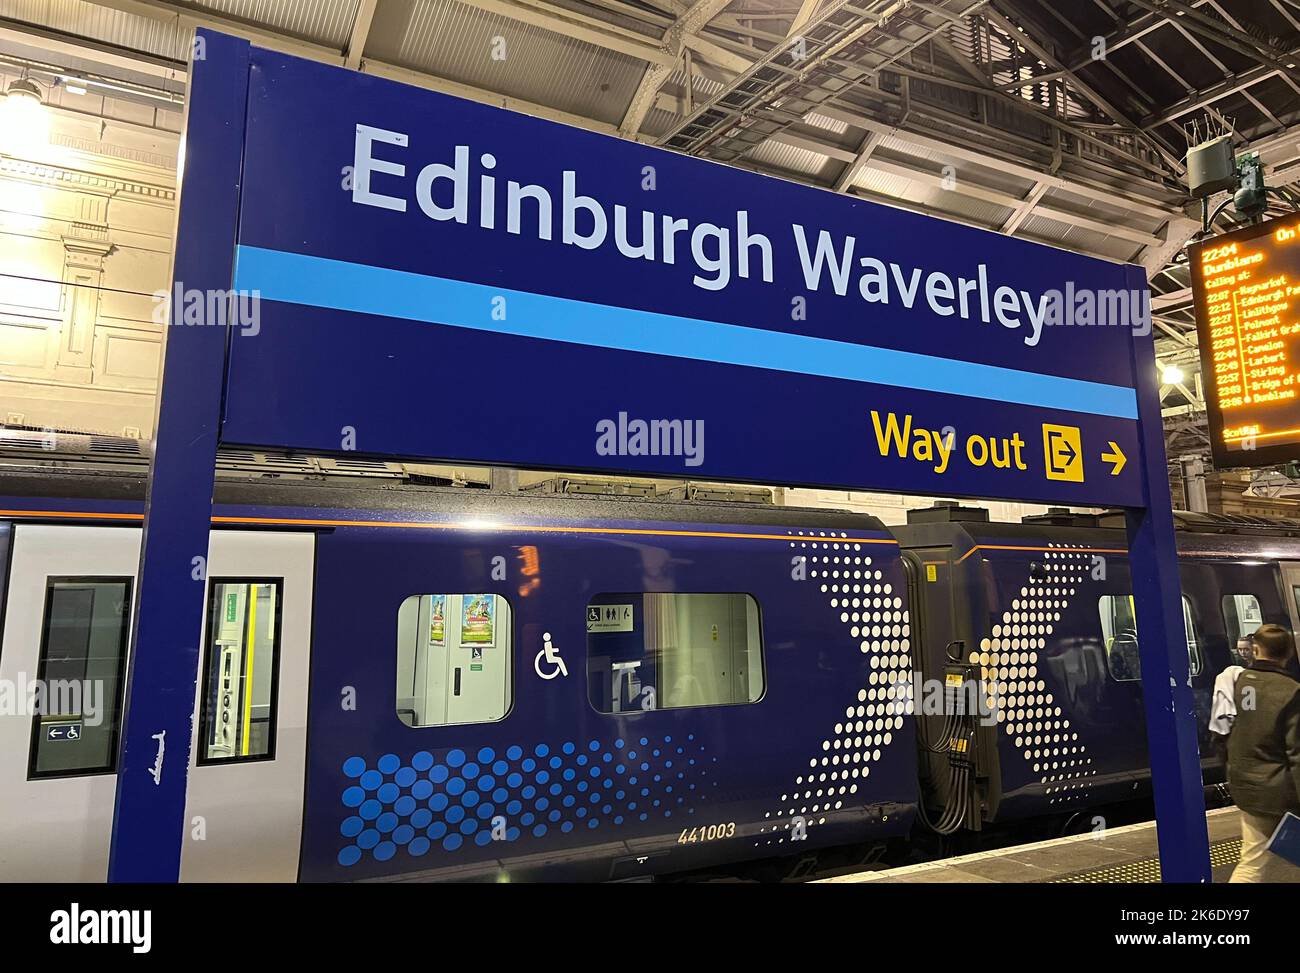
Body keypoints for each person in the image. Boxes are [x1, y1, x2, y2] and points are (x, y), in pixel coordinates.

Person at [1228, 623, 1300, 882]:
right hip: (1277, 789)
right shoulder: (1290, 690)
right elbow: (1297, 753)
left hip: (1246, 785)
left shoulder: (1243, 680)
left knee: (1251, 861)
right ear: (1289, 654)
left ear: (1256, 650)